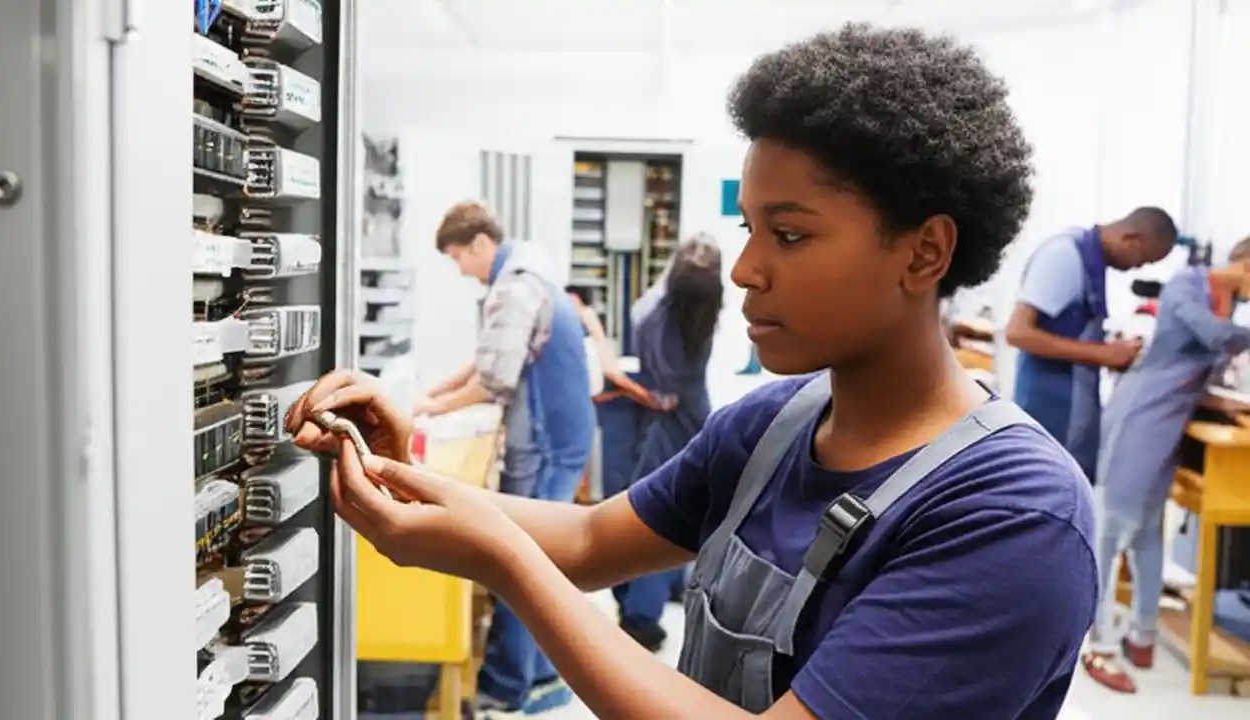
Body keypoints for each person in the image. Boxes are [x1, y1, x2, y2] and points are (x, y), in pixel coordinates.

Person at [289, 25, 1097, 719]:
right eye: (748, 227)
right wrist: (395, 472)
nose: (744, 270)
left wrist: (507, 565)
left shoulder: (1015, 516)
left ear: (924, 252)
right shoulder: (768, 427)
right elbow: (587, 538)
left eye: (789, 235)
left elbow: (544, 560)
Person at [413, 201, 594, 715]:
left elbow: (494, 380)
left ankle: (506, 687)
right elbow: (488, 355)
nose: (460, 270)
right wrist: (438, 392)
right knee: (539, 561)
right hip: (561, 436)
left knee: (521, 564)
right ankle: (535, 678)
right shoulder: (528, 270)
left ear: (480, 245)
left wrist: (431, 408)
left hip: (544, 443)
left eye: (458, 258)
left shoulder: (513, 286)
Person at [1082, 238, 1250, 694]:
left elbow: (1211, 360)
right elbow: (1214, 337)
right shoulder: (1185, 284)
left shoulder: (1230, 300)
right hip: (1141, 414)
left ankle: (1143, 634)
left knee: (1149, 532)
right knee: (1112, 531)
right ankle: (1098, 646)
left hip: (1173, 421)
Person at [605, 234, 723, 652]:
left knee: (660, 517)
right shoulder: (707, 309)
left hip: (668, 422)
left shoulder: (655, 316)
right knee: (685, 506)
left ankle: (640, 617)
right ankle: (670, 585)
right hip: (695, 418)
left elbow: (662, 392)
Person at [1006, 208, 1178, 479]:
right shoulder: (1064, 256)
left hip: (1074, 416)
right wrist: (1102, 354)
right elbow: (1018, 332)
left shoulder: (1091, 264)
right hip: (1048, 413)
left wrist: (1112, 350)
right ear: (1131, 239)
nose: (1136, 268)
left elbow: (1071, 332)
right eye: (1142, 260)